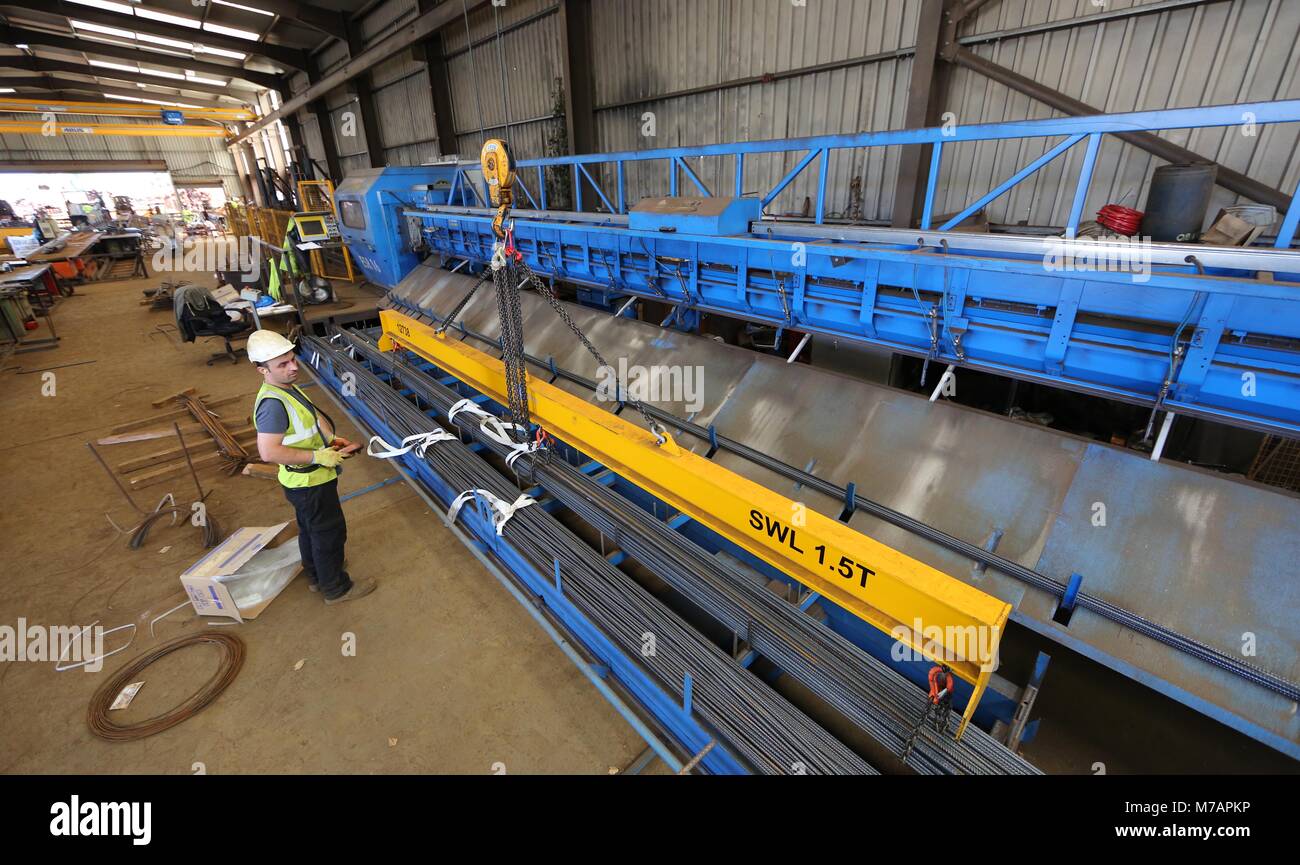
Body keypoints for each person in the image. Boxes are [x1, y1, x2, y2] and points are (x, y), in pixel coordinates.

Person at [248, 330, 377, 604]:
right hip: (310, 483)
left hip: (302, 483)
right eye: (282, 364)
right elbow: (268, 452)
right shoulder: (272, 404)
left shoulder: (283, 388)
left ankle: (316, 575)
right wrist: (318, 457)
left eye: (292, 359)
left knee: (309, 529)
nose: (293, 367)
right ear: (262, 370)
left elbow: (306, 421)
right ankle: (336, 588)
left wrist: (329, 440)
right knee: (329, 533)